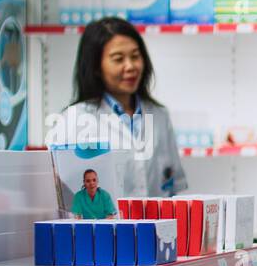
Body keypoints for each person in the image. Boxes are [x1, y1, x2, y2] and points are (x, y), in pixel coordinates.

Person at [57, 17, 187, 197]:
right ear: (96, 67)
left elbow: (174, 186)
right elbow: (65, 196)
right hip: (105, 225)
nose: (131, 66)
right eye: (118, 59)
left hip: (159, 224)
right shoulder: (75, 119)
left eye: (135, 56)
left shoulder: (159, 115)